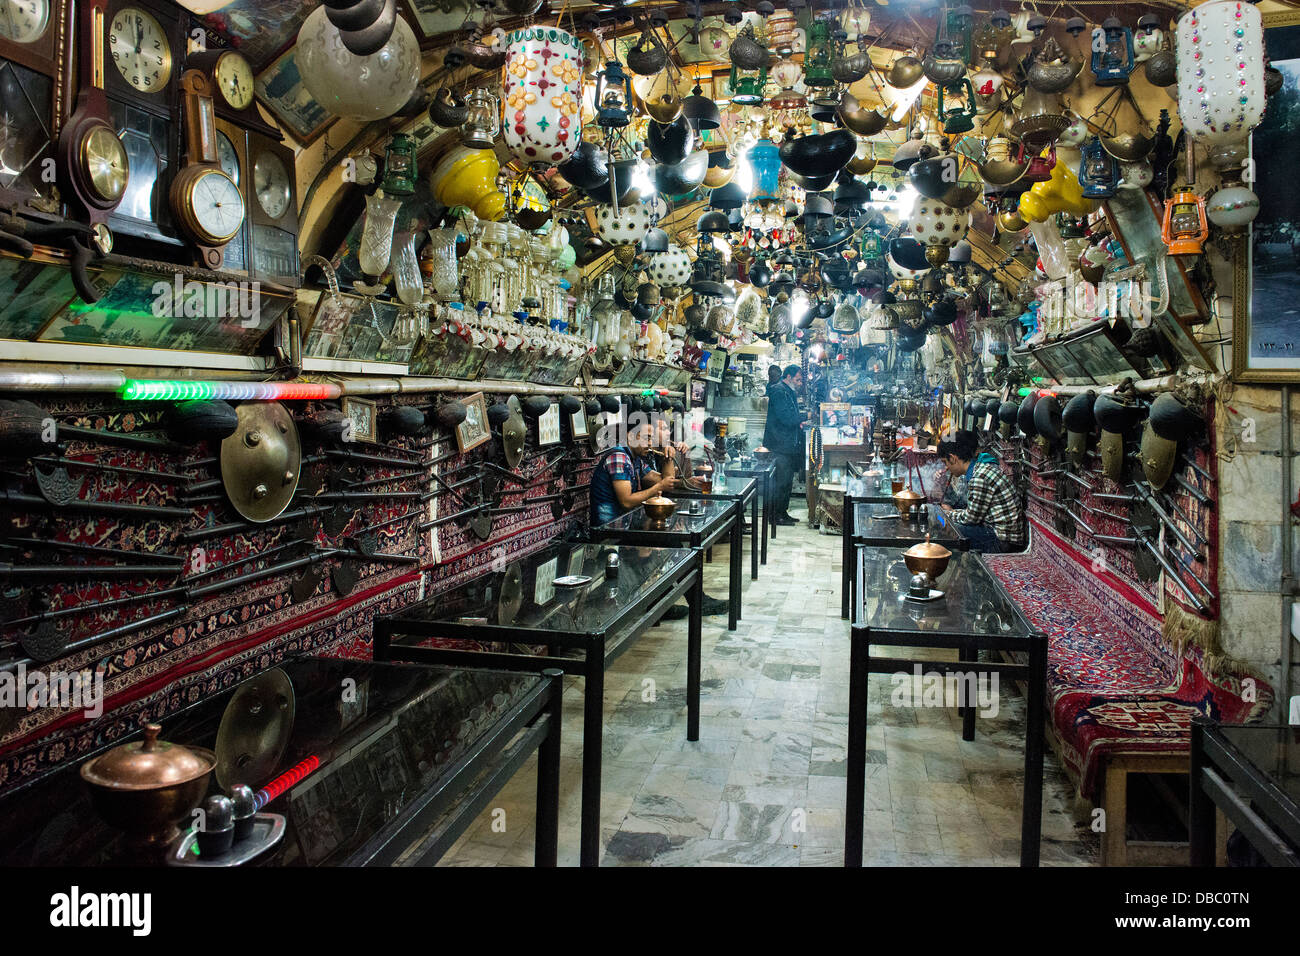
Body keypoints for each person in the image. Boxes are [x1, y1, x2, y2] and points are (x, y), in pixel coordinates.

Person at [938, 430, 1027, 553]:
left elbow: (971, 518)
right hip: (995, 533)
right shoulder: (978, 469)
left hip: (1003, 541)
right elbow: (972, 512)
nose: (946, 468)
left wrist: (948, 514)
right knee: (949, 525)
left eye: (945, 462)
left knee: (947, 529)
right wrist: (951, 512)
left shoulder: (979, 477)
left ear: (953, 458)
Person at [589, 420, 672, 526]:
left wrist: (668, 456)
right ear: (631, 437)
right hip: (607, 531)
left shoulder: (636, 459)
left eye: (651, 438)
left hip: (623, 526)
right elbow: (626, 502)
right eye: (646, 438)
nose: (650, 443)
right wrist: (658, 488)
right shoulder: (619, 457)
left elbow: (665, 480)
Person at [762, 364, 809, 526]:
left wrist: (799, 422)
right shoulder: (779, 391)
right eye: (798, 379)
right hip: (779, 445)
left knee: (786, 481)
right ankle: (775, 516)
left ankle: (782, 512)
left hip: (786, 444)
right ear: (788, 377)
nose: (800, 382)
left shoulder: (787, 391)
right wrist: (805, 416)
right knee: (780, 482)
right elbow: (786, 418)